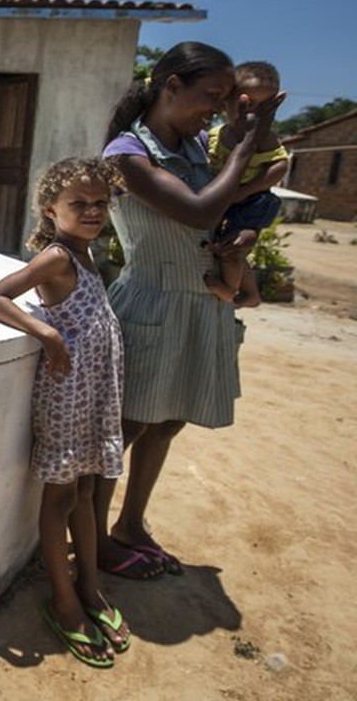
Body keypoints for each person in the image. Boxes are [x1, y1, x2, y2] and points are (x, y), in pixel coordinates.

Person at [96, 42, 284, 580]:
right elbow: (199, 211)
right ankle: (99, 543)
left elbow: (228, 212)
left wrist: (247, 228)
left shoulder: (202, 146)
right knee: (126, 430)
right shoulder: (128, 155)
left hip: (200, 307)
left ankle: (131, 526)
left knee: (168, 423)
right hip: (151, 304)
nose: (220, 110)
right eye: (213, 97)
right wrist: (245, 149)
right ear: (172, 86)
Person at [0, 156, 131, 668]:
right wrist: (44, 332)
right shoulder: (58, 258)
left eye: (99, 203)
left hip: (93, 393)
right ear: (51, 209)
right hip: (67, 395)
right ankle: (64, 602)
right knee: (62, 494)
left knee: (87, 490)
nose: (91, 212)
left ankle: (90, 587)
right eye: (78, 204)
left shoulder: (87, 255)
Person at [203, 61, 291, 307]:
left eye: (265, 106)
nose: (254, 113)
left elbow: (279, 168)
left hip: (251, 202)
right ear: (225, 103)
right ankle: (251, 294)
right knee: (228, 251)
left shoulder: (265, 139)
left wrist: (244, 191)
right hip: (223, 202)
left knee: (232, 250)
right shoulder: (215, 134)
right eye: (248, 103)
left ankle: (229, 289)